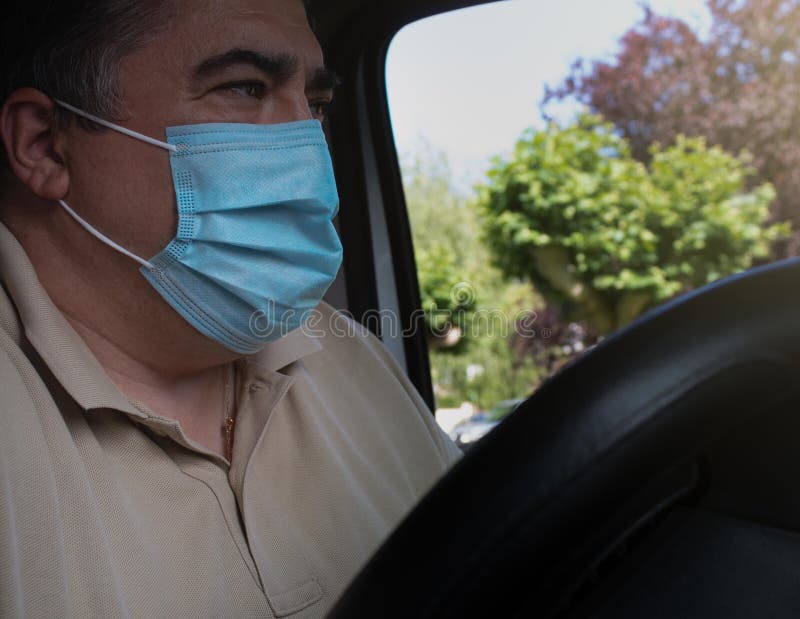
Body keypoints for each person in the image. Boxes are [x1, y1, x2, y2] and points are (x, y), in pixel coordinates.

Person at [0, 1, 462, 616]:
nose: (309, 149)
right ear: (44, 145)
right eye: (245, 88)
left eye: (316, 104)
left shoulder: (344, 351)